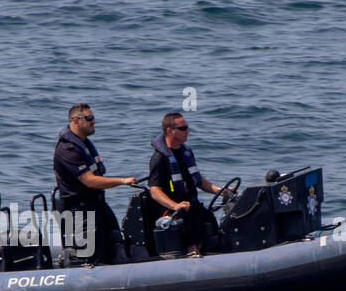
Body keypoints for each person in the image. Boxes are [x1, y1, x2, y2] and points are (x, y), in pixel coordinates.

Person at [52, 103, 137, 264]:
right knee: (91, 257)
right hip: (80, 211)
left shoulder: (84, 144)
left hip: (97, 205)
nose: (93, 121)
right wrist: (122, 181)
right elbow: (90, 180)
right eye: (89, 118)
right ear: (76, 121)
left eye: (93, 118)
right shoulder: (67, 149)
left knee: (114, 239)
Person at [148, 112, 229, 256]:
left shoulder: (186, 152)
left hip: (191, 204)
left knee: (209, 218)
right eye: (183, 128)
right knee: (189, 217)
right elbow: (155, 191)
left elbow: (199, 180)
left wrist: (220, 190)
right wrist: (175, 206)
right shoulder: (159, 159)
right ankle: (192, 250)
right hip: (173, 209)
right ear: (170, 131)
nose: (187, 131)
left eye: (187, 127)